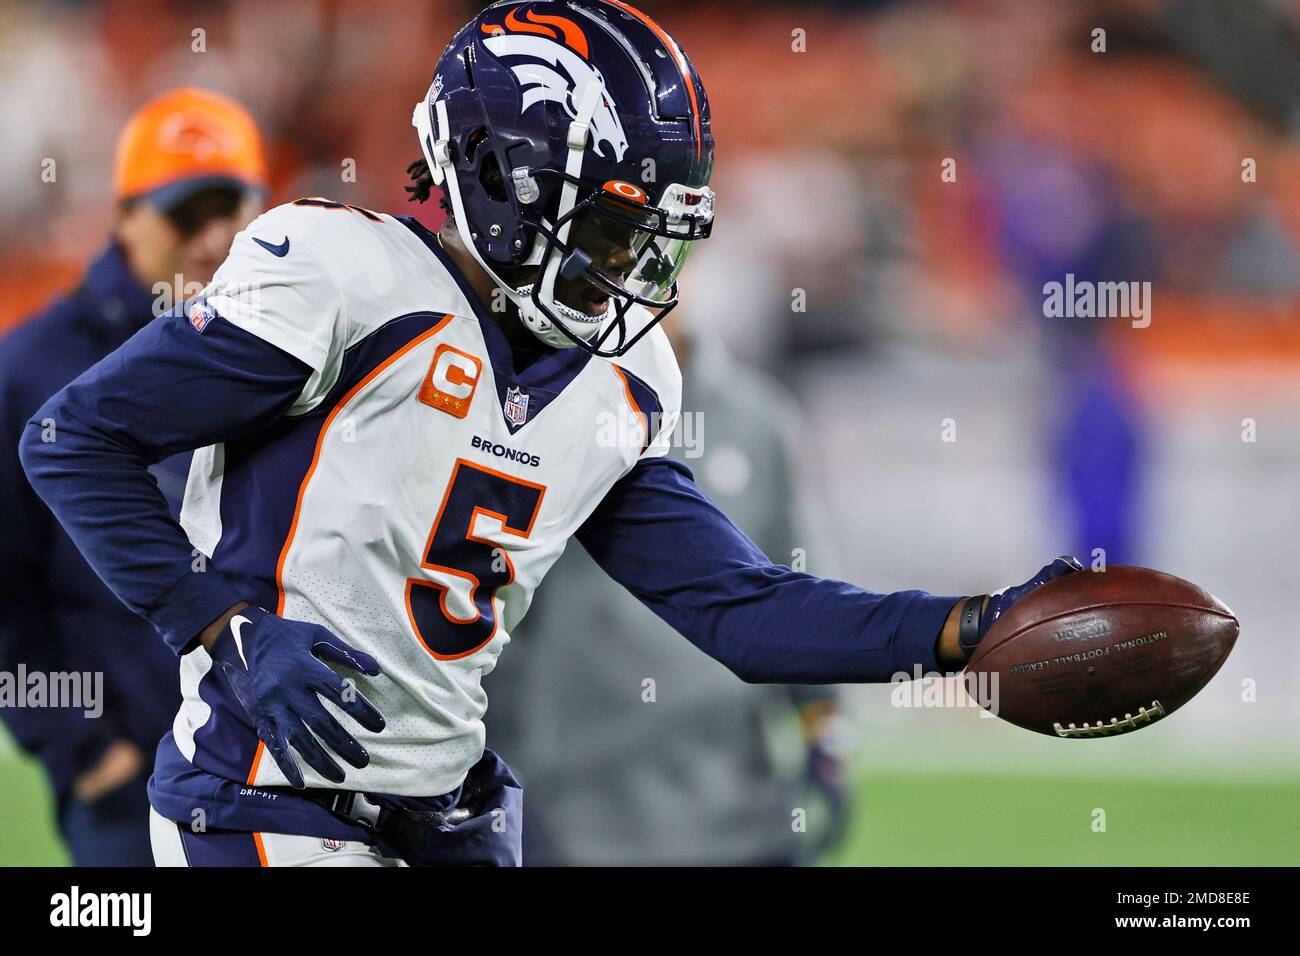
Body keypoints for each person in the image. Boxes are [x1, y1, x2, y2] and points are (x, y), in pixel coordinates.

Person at [19, 1, 1079, 868]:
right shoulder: (339, 275)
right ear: (497, 177)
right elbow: (70, 437)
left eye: (652, 237)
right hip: (266, 803)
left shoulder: (622, 378)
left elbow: (740, 611)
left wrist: (969, 630)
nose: (633, 271)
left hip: (453, 816)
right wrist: (221, 624)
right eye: (615, 227)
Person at [0, 86, 267, 865]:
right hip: (135, 780)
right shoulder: (28, 371)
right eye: (187, 212)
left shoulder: (287, 353)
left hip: (270, 772)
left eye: (236, 208)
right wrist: (83, 748)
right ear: (124, 217)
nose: (215, 237)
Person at [486, 309, 845, 866]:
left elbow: (797, 586)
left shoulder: (758, 418)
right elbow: (496, 603)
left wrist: (827, 734)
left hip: (736, 804)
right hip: (580, 803)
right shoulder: (553, 408)